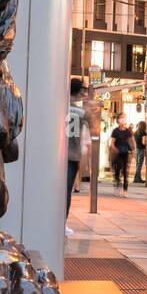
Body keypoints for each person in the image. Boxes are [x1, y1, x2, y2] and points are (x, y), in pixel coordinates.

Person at [66, 80, 86, 223]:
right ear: (78, 92)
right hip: (72, 156)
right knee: (66, 193)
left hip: (60, 156)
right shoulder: (79, 111)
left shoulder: (61, 106)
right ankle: (63, 222)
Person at [133, 119, 147, 184]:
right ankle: (136, 178)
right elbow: (144, 142)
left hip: (137, 149)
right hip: (141, 149)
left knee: (137, 164)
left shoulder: (136, 132)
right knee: (139, 164)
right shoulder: (143, 132)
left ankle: (138, 178)